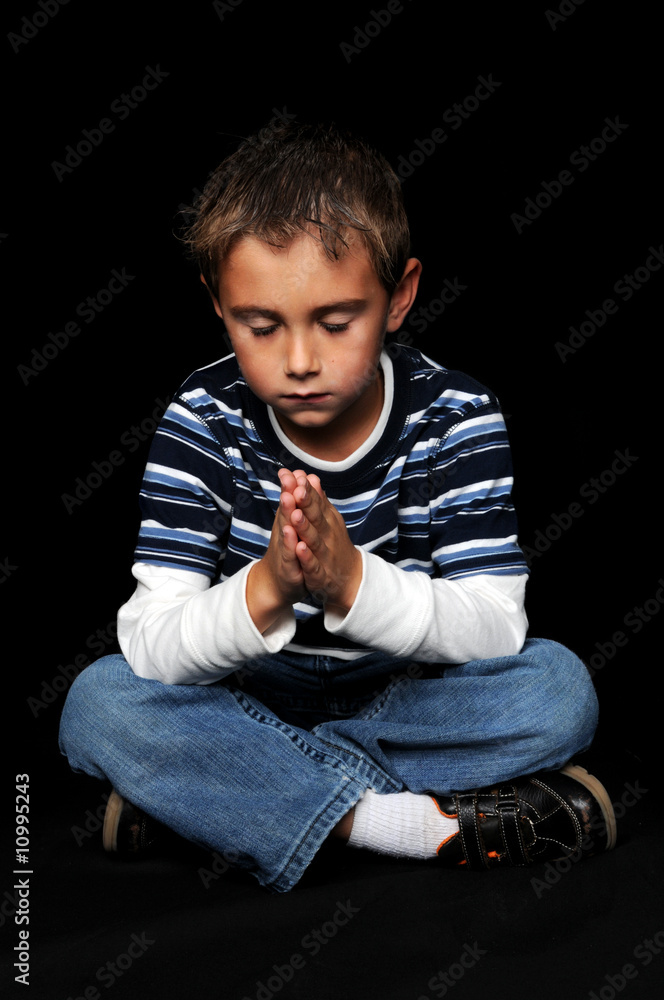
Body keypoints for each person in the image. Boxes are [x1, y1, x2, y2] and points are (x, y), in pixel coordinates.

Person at [59, 120, 616, 892]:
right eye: (261, 325)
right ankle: (409, 829)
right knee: (98, 703)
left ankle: (219, 799)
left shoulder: (457, 418)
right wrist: (269, 589)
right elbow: (153, 643)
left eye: (334, 321)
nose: (299, 360)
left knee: (557, 690)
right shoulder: (203, 419)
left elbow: (496, 627)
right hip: (248, 691)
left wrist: (350, 580)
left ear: (400, 297)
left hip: (404, 697)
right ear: (219, 307)